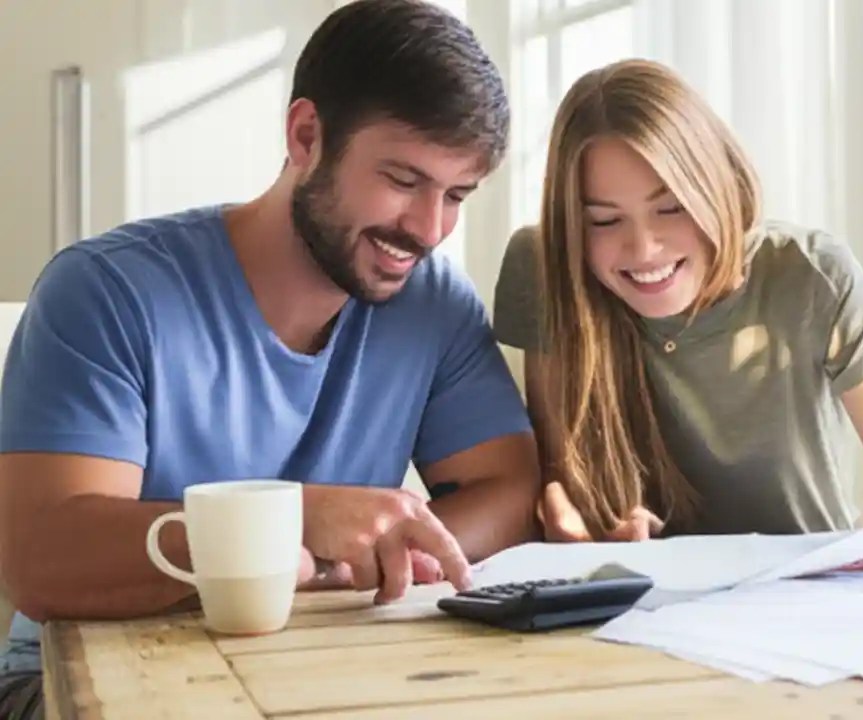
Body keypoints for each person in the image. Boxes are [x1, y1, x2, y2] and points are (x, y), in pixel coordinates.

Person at [0, 1, 540, 715]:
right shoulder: (107, 292)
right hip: (80, 683)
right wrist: (283, 526)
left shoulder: (431, 304)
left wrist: (334, 561)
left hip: (325, 668)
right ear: (306, 135)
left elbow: (509, 490)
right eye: (404, 181)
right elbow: (42, 557)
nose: (429, 229)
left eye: (458, 194)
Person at [494, 59, 863, 553]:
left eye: (671, 208)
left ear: (716, 186)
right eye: (604, 221)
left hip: (803, 588)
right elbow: (561, 472)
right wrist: (582, 519)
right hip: (632, 596)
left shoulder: (813, 273)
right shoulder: (544, 269)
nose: (643, 249)